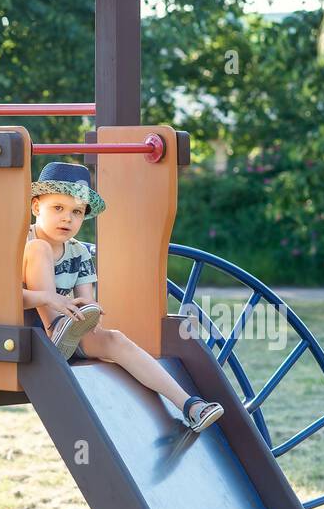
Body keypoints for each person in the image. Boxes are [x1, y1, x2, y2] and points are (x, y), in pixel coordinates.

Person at [22, 161, 224, 432]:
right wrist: (49, 299)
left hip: (67, 338)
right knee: (40, 249)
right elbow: (2, 298)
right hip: (26, 335)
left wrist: (91, 313)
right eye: (58, 208)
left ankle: (190, 405)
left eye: (77, 212)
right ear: (36, 207)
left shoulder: (79, 252)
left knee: (115, 338)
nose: (67, 218)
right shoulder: (22, 241)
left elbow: (86, 302)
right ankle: (55, 327)